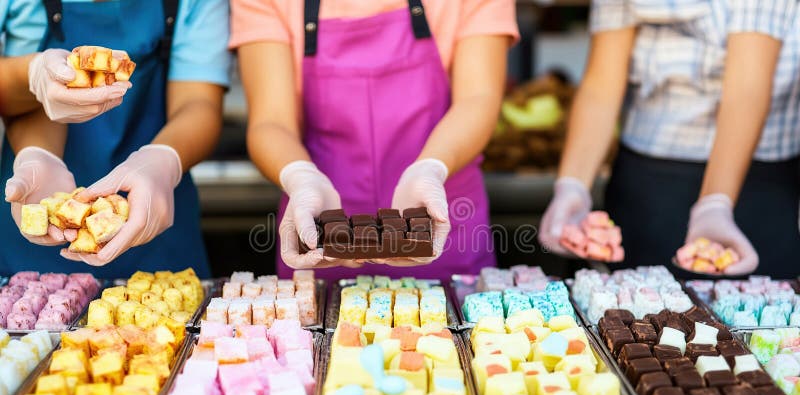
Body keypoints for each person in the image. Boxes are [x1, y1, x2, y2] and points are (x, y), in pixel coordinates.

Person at [231, 0, 518, 280]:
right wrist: (300, 177)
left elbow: (478, 98)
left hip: (444, 219)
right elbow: (270, 121)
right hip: (317, 230)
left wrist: (431, 167)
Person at [539, 0, 800, 278]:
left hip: (756, 180)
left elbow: (747, 87)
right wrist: (573, 185)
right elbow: (601, 83)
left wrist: (715, 203)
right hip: (646, 182)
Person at [0, 0, 231, 278]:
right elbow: (17, 97)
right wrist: (37, 151)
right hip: (32, 239)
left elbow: (198, 102)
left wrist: (163, 161)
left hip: (159, 239)